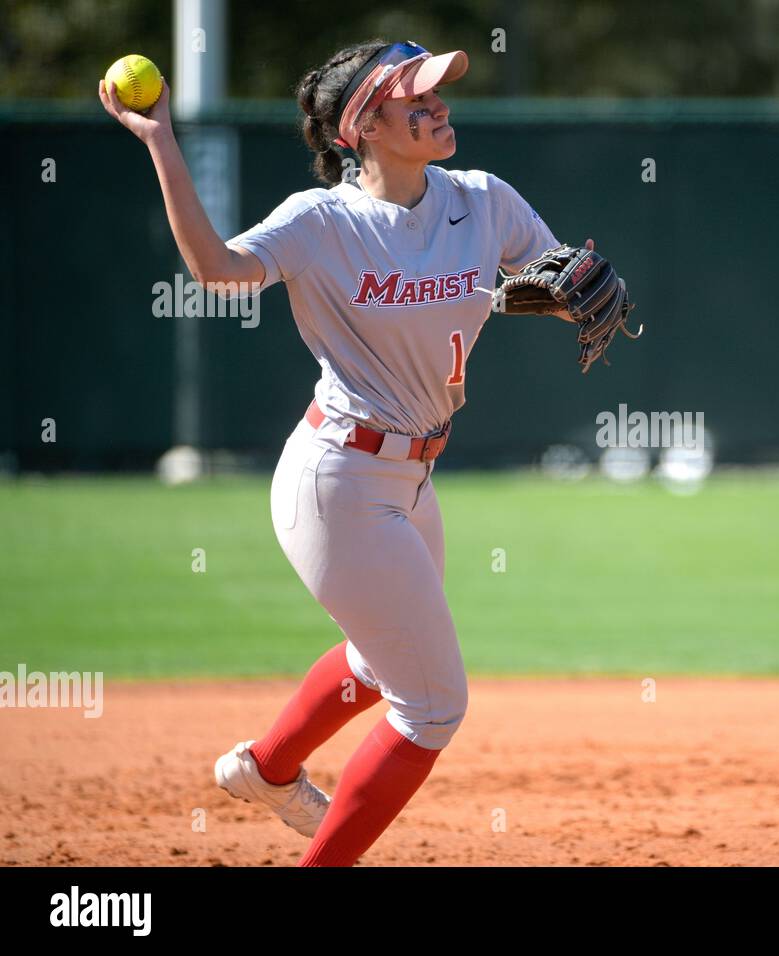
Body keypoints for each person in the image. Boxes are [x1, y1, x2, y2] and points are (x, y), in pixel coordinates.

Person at [100, 39, 593, 866]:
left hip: (411, 476)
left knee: (375, 662)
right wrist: (160, 142)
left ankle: (267, 768)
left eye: (438, 92)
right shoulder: (319, 222)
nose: (438, 105)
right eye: (417, 98)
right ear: (362, 126)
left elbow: (538, 279)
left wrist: (569, 291)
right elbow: (218, 270)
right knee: (432, 707)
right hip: (337, 480)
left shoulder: (483, 199)